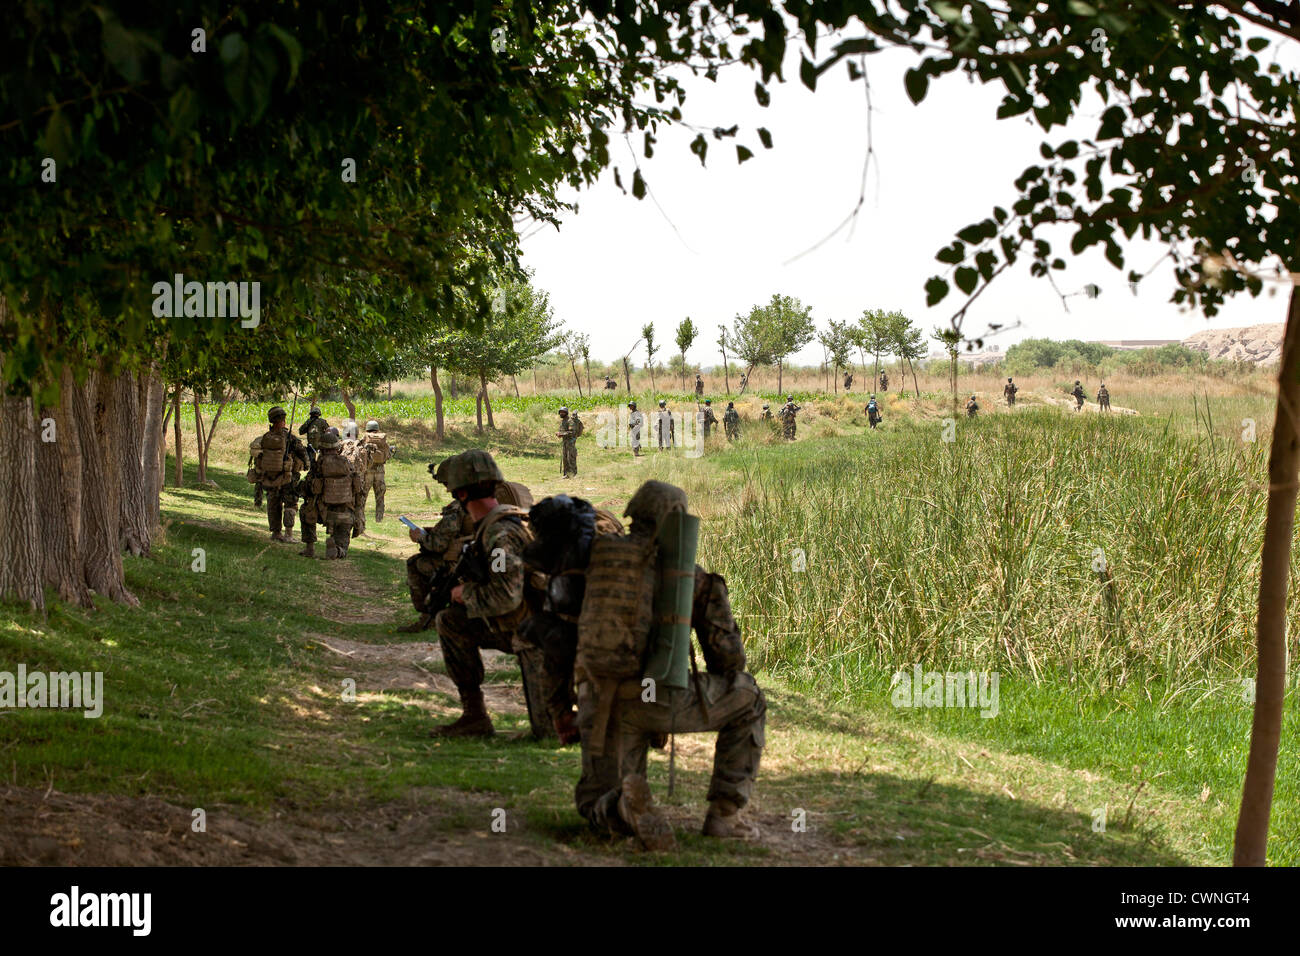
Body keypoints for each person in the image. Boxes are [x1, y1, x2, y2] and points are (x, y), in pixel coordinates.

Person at [571, 480, 766, 850]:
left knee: (592, 805)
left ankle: (624, 810)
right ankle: (725, 817)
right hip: (657, 701)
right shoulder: (692, 577)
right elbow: (730, 660)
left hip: (599, 700)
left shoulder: (598, 561)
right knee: (749, 696)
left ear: (633, 515)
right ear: (678, 522)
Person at [429, 450, 536, 738]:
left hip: (533, 631)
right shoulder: (498, 523)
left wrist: (466, 594)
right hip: (535, 623)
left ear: (461, 493)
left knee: (450, 620)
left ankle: (475, 716)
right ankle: (474, 716)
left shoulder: (499, 533)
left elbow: (506, 596)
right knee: (451, 619)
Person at [299, 427, 362, 559]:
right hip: (346, 514)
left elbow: (307, 489)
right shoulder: (347, 464)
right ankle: (338, 550)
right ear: (337, 448)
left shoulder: (318, 466)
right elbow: (357, 490)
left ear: (321, 448)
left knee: (304, 510)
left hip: (323, 513)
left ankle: (309, 548)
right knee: (343, 546)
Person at [256, 406, 309, 543]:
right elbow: (302, 452)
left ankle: (275, 533)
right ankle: (288, 534)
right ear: (283, 420)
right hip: (288, 477)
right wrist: (307, 464)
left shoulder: (266, 437)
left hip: (270, 477)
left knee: (273, 503)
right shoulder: (290, 437)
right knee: (290, 504)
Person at [356, 419, 394, 535]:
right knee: (380, 496)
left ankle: (361, 519)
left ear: (367, 428)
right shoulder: (383, 440)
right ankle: (379, 519)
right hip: (380, 472)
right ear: (377, 428)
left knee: (363, 496)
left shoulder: (365, 438)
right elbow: (388, 456)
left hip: (367, 472)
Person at [557, 406, 579, 477]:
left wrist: (561, 434)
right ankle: (566, 473)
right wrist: (559, 433)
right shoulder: (563, 421)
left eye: (563, 412)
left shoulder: (570, 421)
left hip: (570, 442)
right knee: (565, 458)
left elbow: (571, 432)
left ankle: (573, 474)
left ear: (566, 413)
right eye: (560, 412)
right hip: (565, 442)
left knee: (571, 458)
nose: (561, 413)